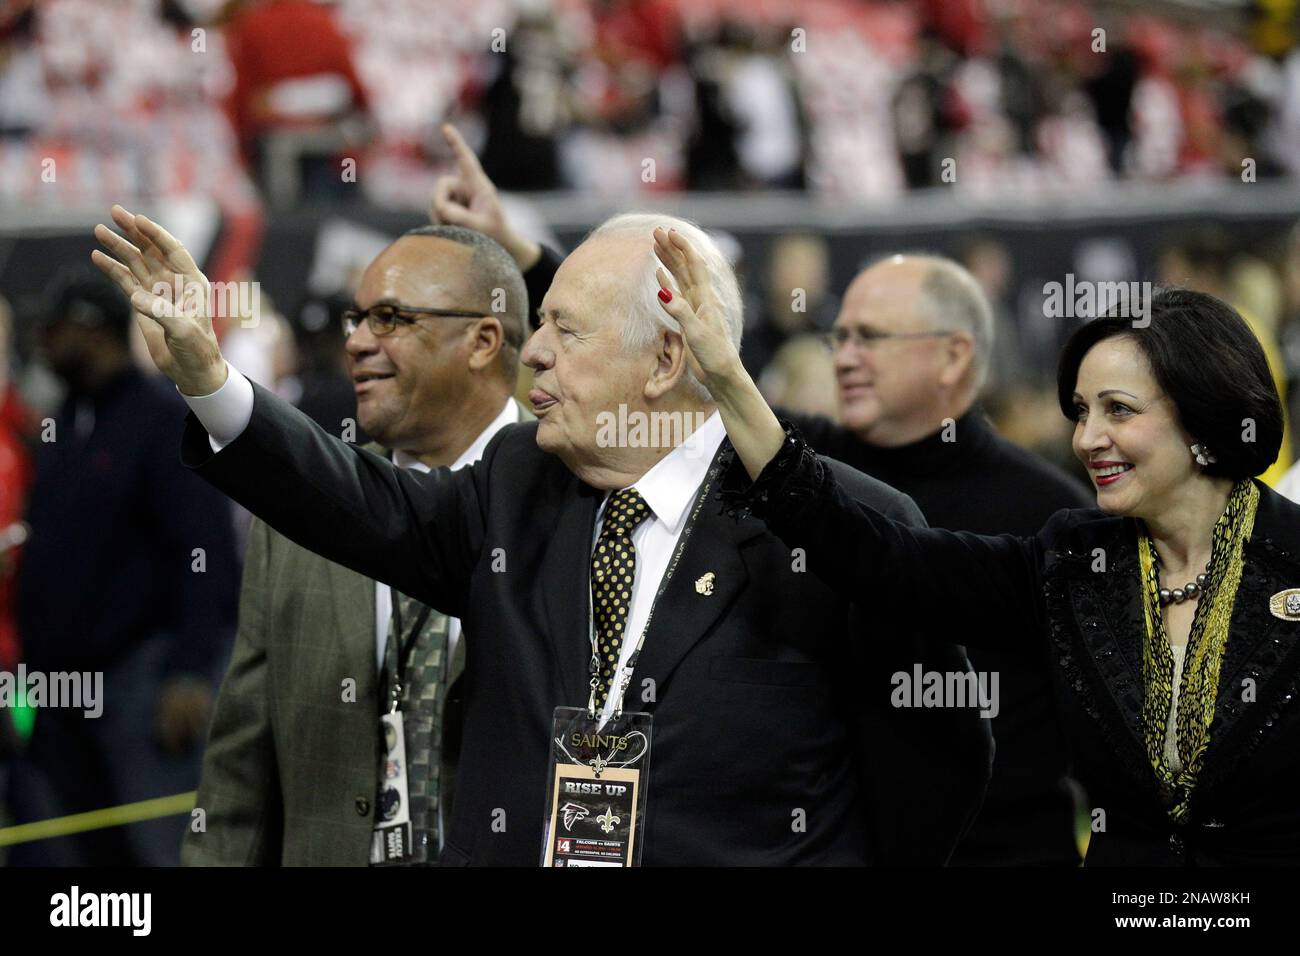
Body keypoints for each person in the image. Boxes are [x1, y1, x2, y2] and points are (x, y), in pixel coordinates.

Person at [92, 204, 991, 866]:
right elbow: (360, 501)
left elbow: (932, 773)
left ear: (667, 360)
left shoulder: (842, 526)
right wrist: (210, 378)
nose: (534, 354)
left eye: (564, 328)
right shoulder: (519, 482)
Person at [659, 235, 1300, 865]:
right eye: (1080, 411)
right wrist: (726, 375)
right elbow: (881, 556)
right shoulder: (1073, 563)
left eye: (1119, 410)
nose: (1087, 438)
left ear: (1203, 415)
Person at [183, 225, 534, 866]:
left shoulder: (573, 497)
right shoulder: (297, 516)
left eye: (390, 318)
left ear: (483, 341)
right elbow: (241, 762)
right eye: (356, 319)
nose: (356, 342)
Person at [782, 254, 1092, 866]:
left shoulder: (1050, 510)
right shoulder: (801, 468)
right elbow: (691, 396)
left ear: (953, 356)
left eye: (868, 337)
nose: (842, 358)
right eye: (838, 338)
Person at [7, 274, 238, 866]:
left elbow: (205, 550)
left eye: (56, 329)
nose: (44, 342)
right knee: (80, 859)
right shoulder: (63, 424)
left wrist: (190, 670)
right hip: (60, 693)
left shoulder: (161, 418)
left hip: (140, 679)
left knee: (162, 849)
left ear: (92, 330)